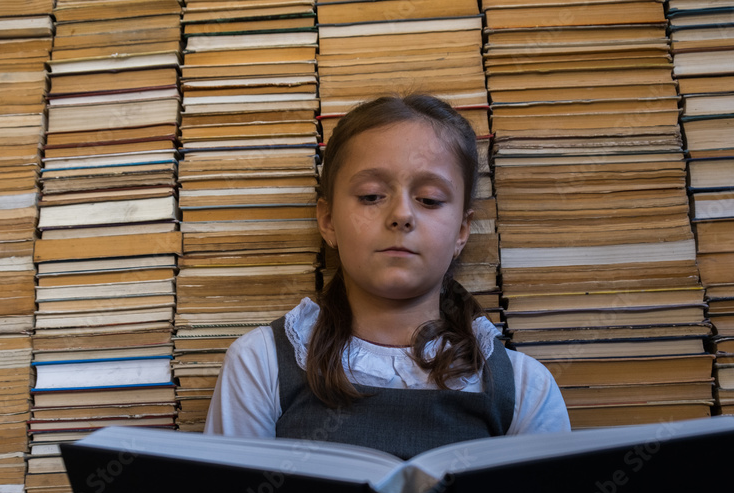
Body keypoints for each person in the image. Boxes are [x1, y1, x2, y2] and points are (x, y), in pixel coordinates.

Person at [204, 94, 570, 458]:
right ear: (328, 221)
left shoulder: (525, 387)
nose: (401, 215)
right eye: (371, 195)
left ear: (462, 230)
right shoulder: (260, 364)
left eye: (428, 199)